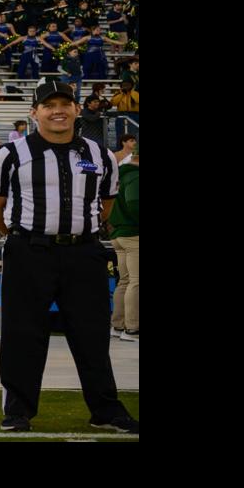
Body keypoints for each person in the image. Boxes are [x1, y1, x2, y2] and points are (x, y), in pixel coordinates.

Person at [0, 79, 138, 434]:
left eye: (65, 103)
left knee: (93, 334)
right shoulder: (9, 154)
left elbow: (106, 205)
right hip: (29, 251)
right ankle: (18, 410)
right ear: (35, 112)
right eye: (49, 105)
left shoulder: (99, 155)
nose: (58, 110)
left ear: (77, 109)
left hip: (85, 252)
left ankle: (105, 410)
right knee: (22, 333)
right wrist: (25, 236)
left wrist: (78, 232)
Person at [109, 138, 138, 341]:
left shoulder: (120, 174)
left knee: (125, 281)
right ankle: (133, 328)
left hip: (118, 233)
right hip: (134, 233)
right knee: (137, 282)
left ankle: (117, 325)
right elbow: (135, 203)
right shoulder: (136, 177)